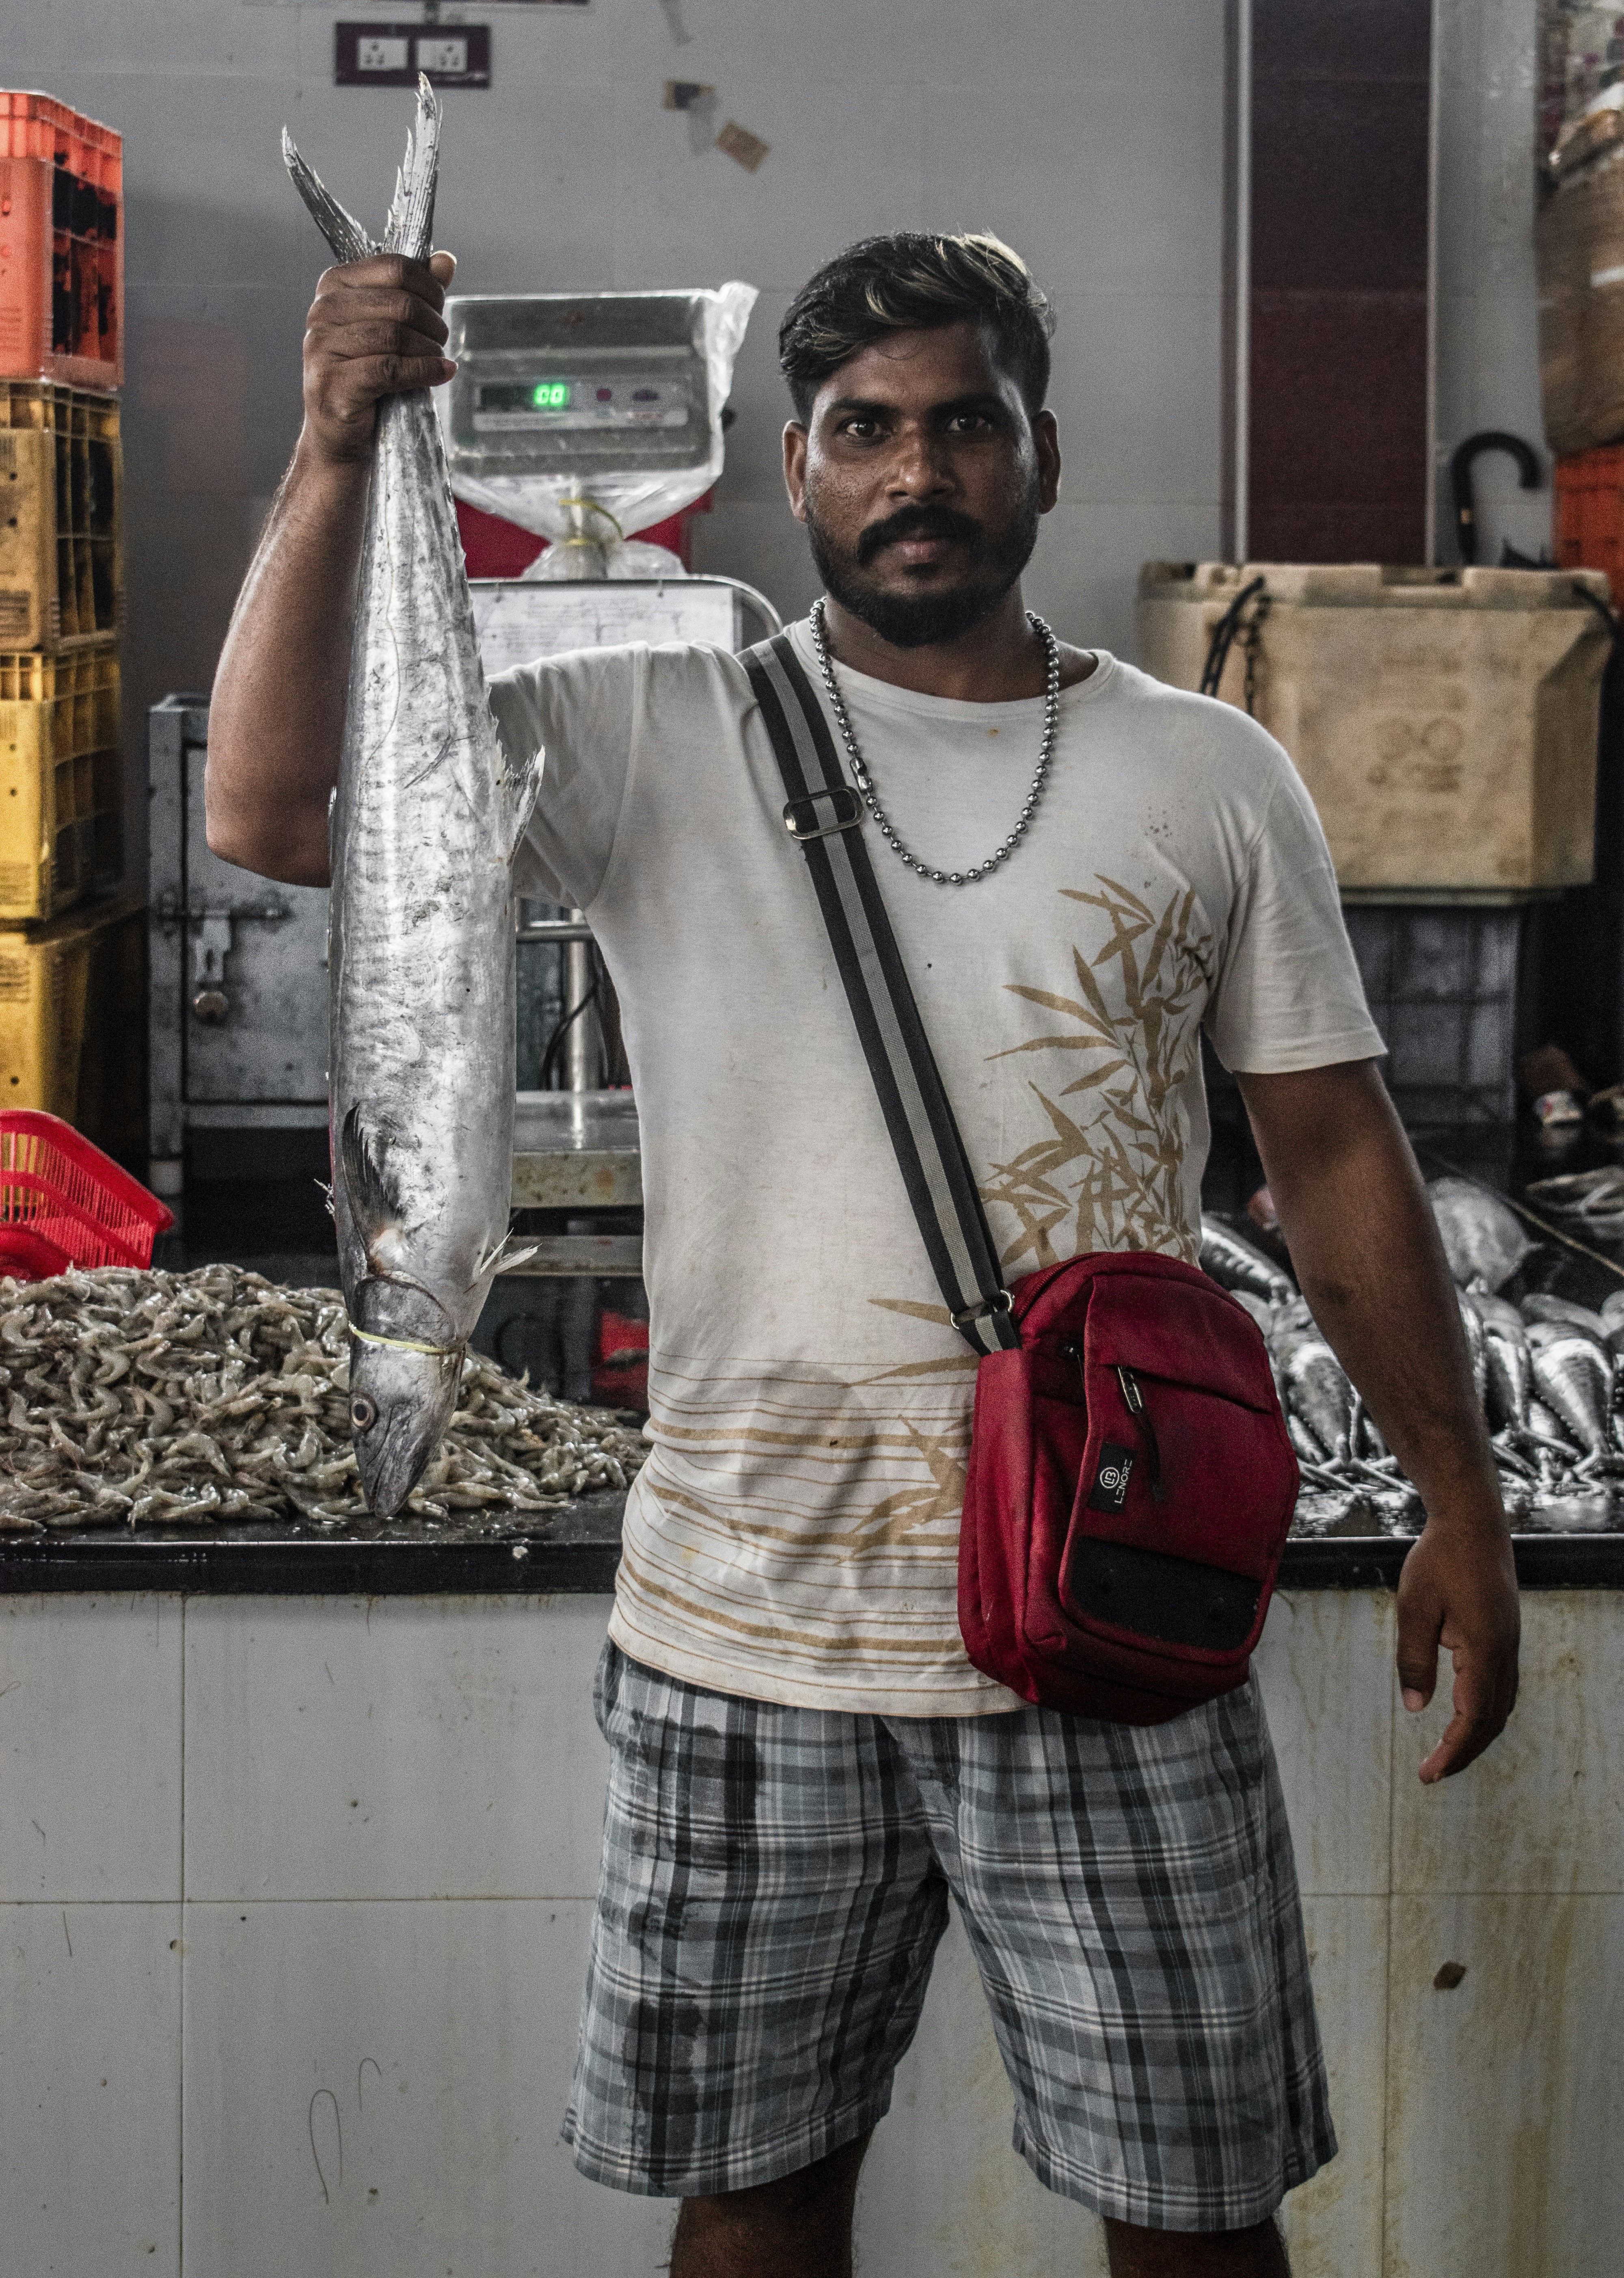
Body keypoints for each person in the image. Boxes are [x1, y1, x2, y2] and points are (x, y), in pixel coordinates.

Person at [207, 228, 1520, 2278]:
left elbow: (1334, 1149)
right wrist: (326, 447)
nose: (920, 471)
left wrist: (1463, 1495)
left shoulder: (1206, 772)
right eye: (866, 432)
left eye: (963, 424)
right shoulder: (646, 731)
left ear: (1042, 454)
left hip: (1113, 1614)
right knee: (758, 2202)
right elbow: (278, 812)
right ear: (797, 471)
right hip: (745, 1622)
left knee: (1194, 2210)